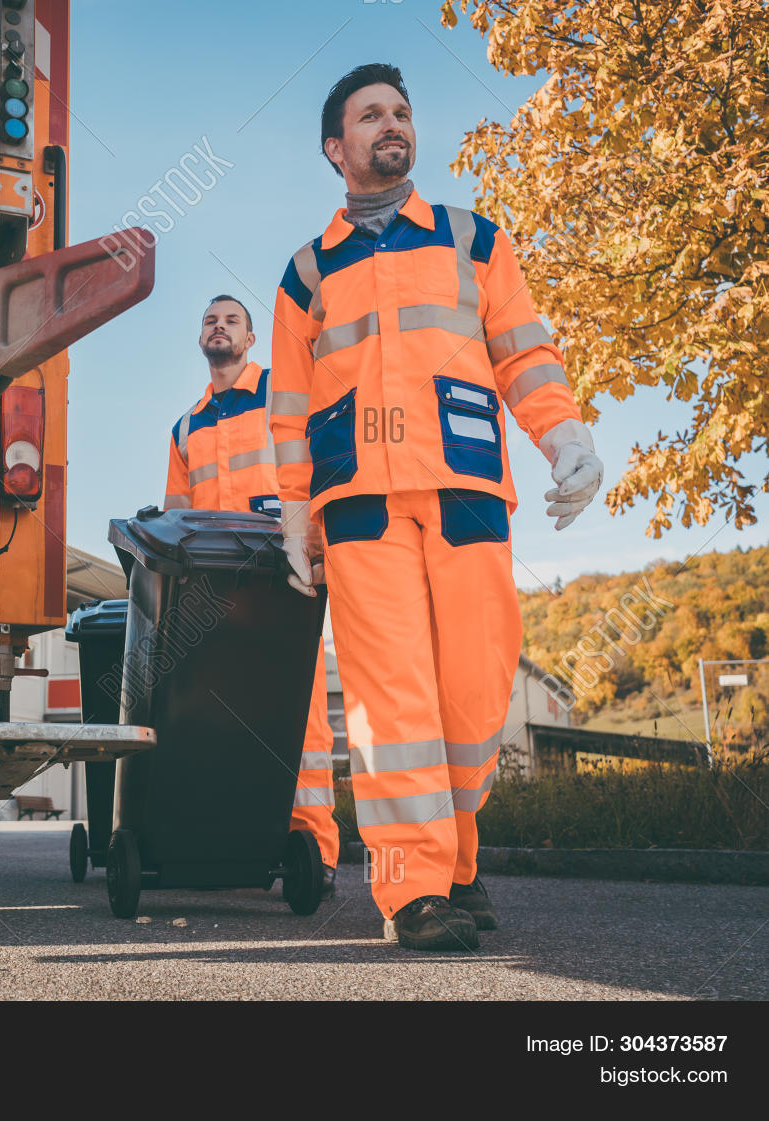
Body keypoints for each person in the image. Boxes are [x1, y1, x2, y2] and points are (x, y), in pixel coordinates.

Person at [269, 64, 603, 950]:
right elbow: (289, 411)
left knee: (475, 692)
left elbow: (525, 354)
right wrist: (295, 517)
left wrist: (565, 436)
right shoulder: (306, 274)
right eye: (371, 114)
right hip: (362, 511)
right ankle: (411, 889)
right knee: (391, 703)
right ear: (336, 148)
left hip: (465, 495)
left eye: (403, 112)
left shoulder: (474, 240)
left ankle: (456, 862)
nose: (393, 123)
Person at [165, 294, 340, 898]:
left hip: (283, 572)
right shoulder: (186, 425)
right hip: (214, 588)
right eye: (209, 319)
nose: (219, 327)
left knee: (302, 712)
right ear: (199, 337)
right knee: (219, 710)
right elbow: (175, 516)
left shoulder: (282, 398)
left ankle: (312, 847)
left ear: (251, 338)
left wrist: (317, 546)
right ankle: (229, 840)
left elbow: (319, 467)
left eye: (231, 320)